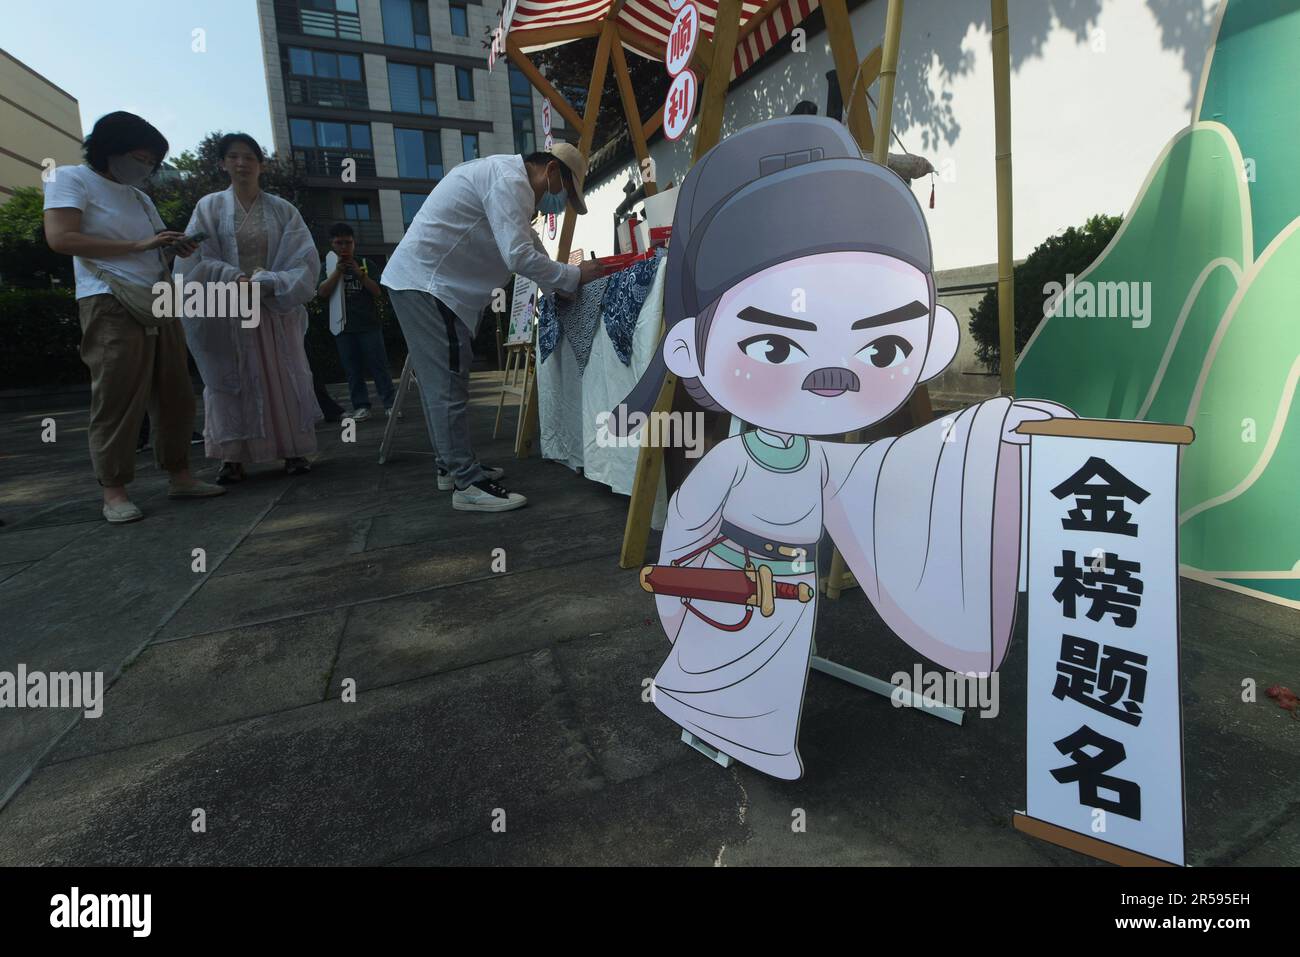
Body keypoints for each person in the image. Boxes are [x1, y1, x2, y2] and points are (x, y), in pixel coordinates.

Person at [614, 116, 1075, 779]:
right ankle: (708, 710)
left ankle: (757, 730)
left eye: (882, 346)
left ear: (929, 341)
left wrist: (987, 437)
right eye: (774, 346)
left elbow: (886, 475)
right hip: (733, 594)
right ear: (692, 349)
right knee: (719, 678)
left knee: (769, 686)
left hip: (790, 594)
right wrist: (691, 595)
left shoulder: (823, 458)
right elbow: (684, 535)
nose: (830, 375)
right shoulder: (730, 462)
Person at [382, 143, 603, 512]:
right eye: (563, 191)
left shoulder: (508, 181)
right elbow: (517, 255)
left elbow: (530, 244)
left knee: (443, 381)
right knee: (448, 382)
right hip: (429, 285)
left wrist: (559, 284)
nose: (560, 201)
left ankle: (450, 466)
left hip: (426, 283)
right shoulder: (509, 182)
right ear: (551, 171)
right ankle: (466, 482)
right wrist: (574, 276)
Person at [43, 111, 225, 524]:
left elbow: (151, 247)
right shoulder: (69, 178)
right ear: (111, 148)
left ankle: (180, 475)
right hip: (108, 299)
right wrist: (140, 243)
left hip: (157, 297)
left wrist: (171, 246)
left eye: (150, 162)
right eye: (139, 157)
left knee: (176, 391)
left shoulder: (139, 196)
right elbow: (61, 238)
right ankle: (114, 490)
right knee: (118, 396)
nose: (144, 167)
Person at [174, 133, 322, 483]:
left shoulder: (283, 210)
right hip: (226, 310)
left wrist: (270, 281)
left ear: (261, 164)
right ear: (223, 163)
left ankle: (293, 449)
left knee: (282, 376)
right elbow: (194, 260)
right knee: (227, 379)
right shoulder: (208, 208)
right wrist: (232, 277)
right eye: (233, 157)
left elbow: (304, 258)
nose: (241, 164)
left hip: (272, 309)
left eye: (249, 157)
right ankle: (231, 457)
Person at [317, 223, 395, 420]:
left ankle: (390, 404)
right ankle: (361, 406)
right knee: (352, 370)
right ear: (331, 244)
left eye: (348, 243)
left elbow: (378, 291)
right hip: (342, 328)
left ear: (354, 243)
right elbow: (322, 292)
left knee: (379, 366)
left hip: (369, 325)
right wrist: (338, 272)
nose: (344, 247)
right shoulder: (326, 267)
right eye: (339, 243)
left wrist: (359, 273)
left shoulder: (366, 264)